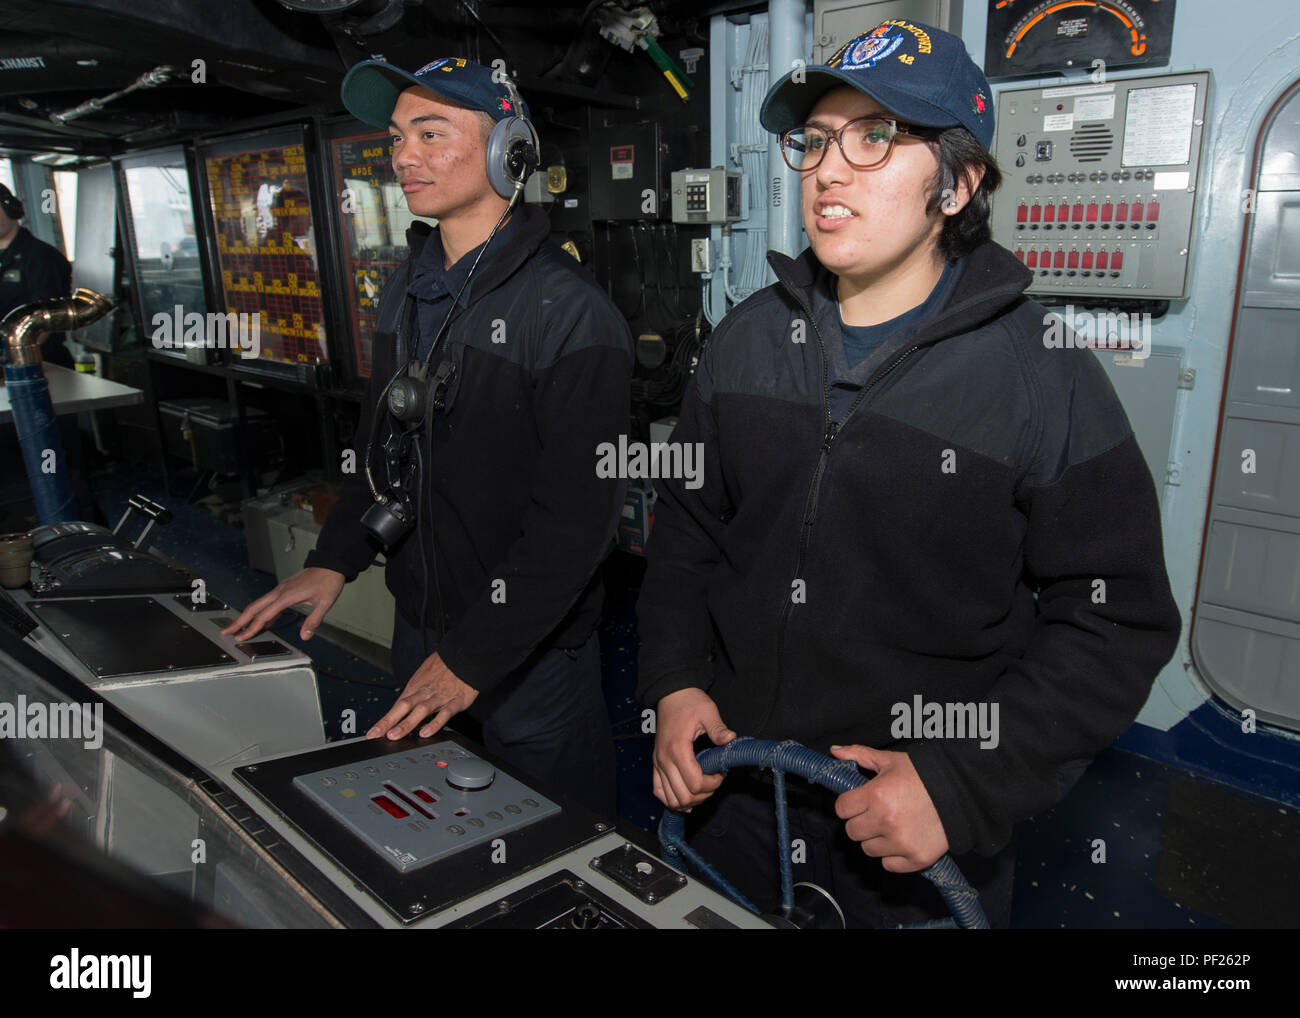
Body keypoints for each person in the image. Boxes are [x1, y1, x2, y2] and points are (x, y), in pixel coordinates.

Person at [636, 20, 1181, 927]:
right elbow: (690, 532)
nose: (828, 170)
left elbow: (1113, 622)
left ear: (959, 183)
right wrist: (674, 681)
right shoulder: (747, 340)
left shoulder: (1042, 374)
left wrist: (962, 781)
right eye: (813, 141)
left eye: (877, 136)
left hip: (907, 836)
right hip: (730, 794)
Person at [224, 58, 632, 820]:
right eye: (397, 137)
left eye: (431, 133)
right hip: (419, 629)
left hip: (527, 652)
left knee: (560, 845)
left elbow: (576, 527)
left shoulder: (570, 315)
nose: (403, 156)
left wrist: (473, 659)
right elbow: (381, 450)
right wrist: (335, 560)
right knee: (436, 830)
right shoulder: (406, 291)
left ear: (509, 149)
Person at [0, 182, 75, 368]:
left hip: (40, 364)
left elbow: (44, 319)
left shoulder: (41, 257)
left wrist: (11, 358)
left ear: (11, 210)